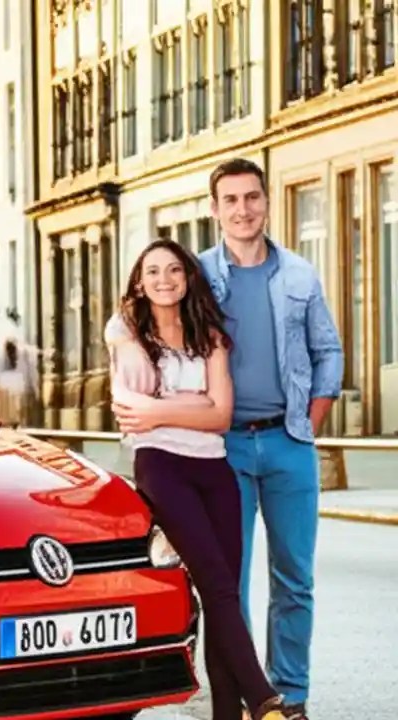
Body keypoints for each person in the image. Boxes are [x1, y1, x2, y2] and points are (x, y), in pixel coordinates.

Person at [106, 239, 290, 720]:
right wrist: (193, 404)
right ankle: (266, 701)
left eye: (174, 270)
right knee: (218, 587)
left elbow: (221, 415)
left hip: (214, 469)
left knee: (221, 594)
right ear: (139, 283)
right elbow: (130, 410)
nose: (164, 279)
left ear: (188, 278)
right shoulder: (127, 333)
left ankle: (230, 713)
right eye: (152, 271)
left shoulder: (210, 336)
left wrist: (163, 409)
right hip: (162, 466)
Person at [197, 159, 337, 719]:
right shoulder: (196, 276)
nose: (243, 210)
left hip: (288, 443)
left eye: (252, 197)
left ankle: (292, 697)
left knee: (295, 579)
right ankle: (250, 696)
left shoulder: (300, 274)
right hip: (222, 449)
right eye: (231, 200)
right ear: (215, 209)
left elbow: (328, 351)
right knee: (229, 584)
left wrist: (309, 423)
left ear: (266, 201)